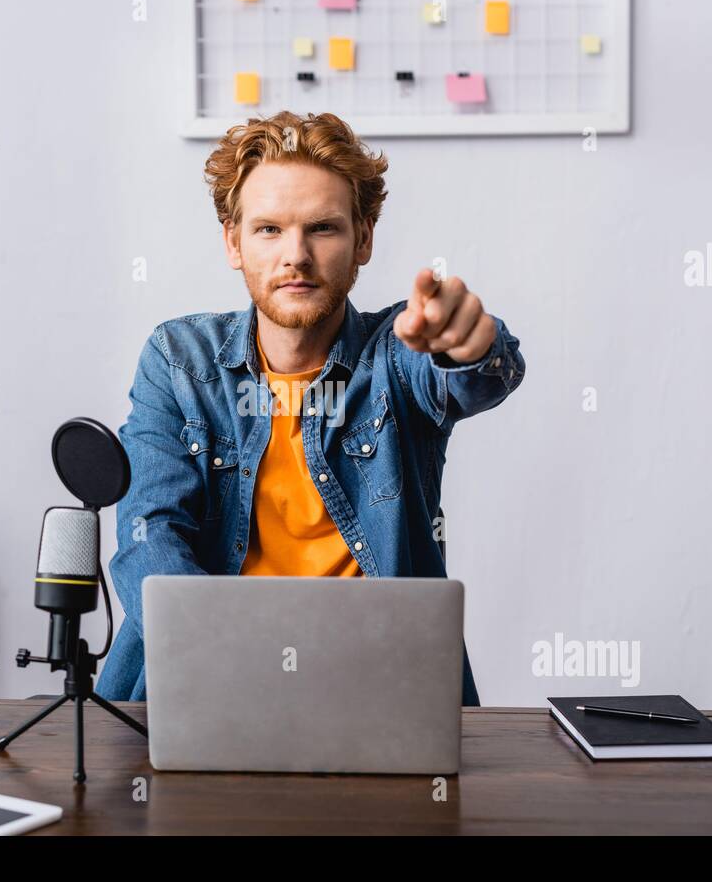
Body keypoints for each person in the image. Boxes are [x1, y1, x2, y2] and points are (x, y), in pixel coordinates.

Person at [96, 110, 525, 705]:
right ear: (233, 242)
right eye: (269, 229)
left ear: (364, 239)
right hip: (209, 676)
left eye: (322, 228)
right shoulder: (178, 360)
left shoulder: (397, 355)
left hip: (379, 692)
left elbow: (471, 376)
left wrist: (469, 346)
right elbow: (149, 533)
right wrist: (231, 659)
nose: (295, 255)